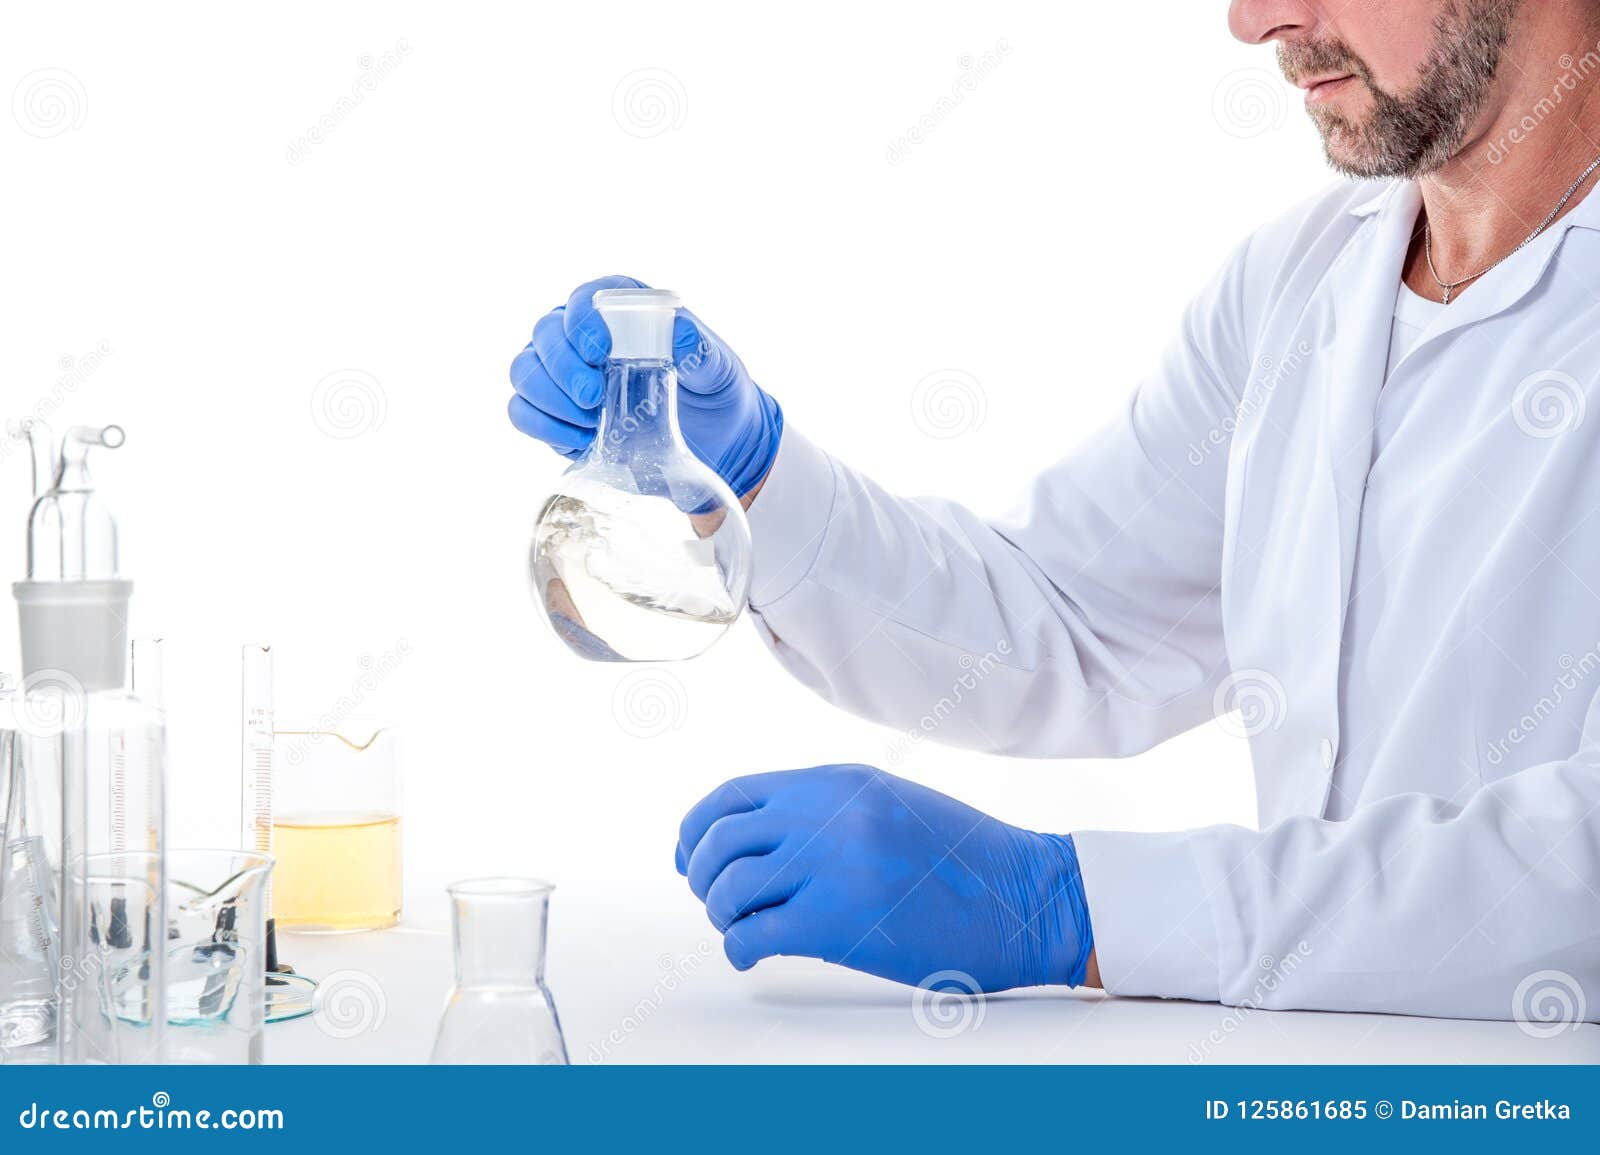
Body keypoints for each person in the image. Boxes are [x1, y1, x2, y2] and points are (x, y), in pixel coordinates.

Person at [508, 0, 1600, 1020]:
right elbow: (1073, 622)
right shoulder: (1307, 278)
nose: (1250, 19)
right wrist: (754, 477)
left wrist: (1075, 907)